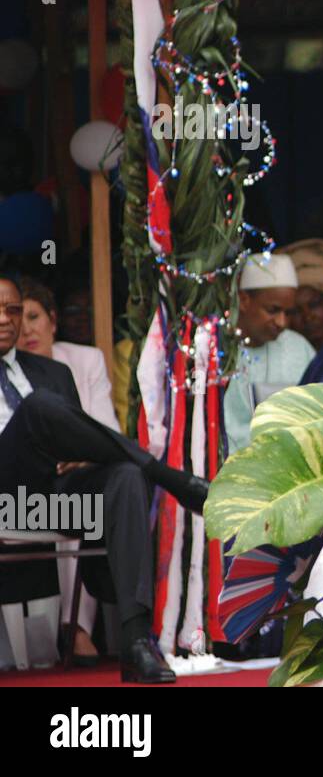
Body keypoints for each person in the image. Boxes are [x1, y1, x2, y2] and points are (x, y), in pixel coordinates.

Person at [0, 276, 208, 682]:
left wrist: (84, 459)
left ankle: (134, 641)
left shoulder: (52, 371)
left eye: (12, 309)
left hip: (48, 505)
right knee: (39, 407)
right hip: (5, 495)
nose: (9, 320)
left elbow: (79, 442)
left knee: (124, 475)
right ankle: (168, 477)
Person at [16, 276, 119, 664]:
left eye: (34, 316)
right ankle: (64, 630)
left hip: (79, 474)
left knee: (97, 496)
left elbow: (107, 431)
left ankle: (79, 628)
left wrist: (85, 453)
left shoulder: (84, 360)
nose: (26, 328)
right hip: (26, 486)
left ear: (53, 321)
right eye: (16, 317)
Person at [225, 255, 316, 455]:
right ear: (244, 300)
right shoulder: (218, 347)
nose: (282, 322)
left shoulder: (299, 348)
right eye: (273, 310)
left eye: (288, 312)